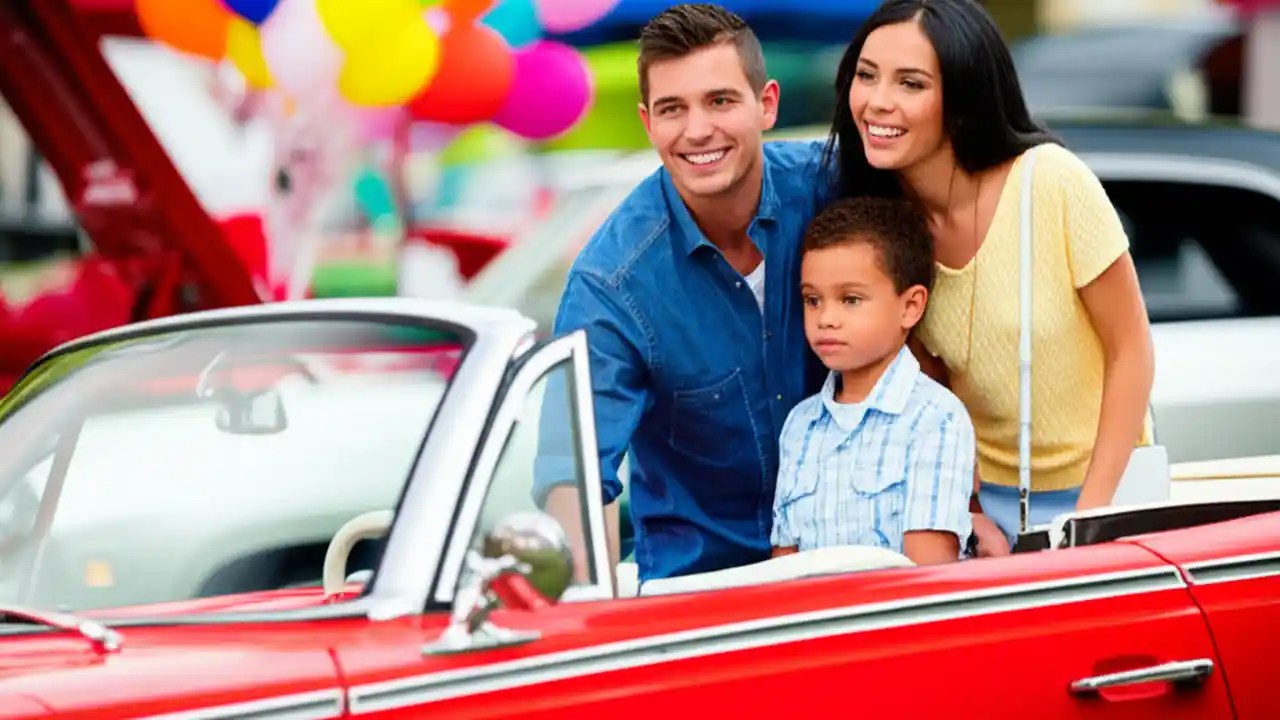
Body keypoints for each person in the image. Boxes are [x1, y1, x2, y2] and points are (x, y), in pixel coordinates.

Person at [825, 0, 1156, 549]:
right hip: (991, 515)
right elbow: (934, 390)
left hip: (1108, 494)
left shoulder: (1051, 182)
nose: (878, 102)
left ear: (961, 99)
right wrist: (969, 508)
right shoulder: (885, 222)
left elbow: (1132, 350)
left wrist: (1090, 519)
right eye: (866, 75)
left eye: (910, 84)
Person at [533, 4, 833, 584]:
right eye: (673, 109)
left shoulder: (832, 190)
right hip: (702, 603)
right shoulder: (612, 282)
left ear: (766, 104)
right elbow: (573, 470)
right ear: (649, 123)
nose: (697, 130)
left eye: (720, 101)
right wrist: (588, 609)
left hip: (854, 575)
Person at [771, 197, 974, 564]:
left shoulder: (935, 419)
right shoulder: (799, 427)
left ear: (910, 307)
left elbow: (929, 575)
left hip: (894, 619)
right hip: (809, 620)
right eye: (812, 299)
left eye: (850, 300)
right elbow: (784, 568)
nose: (826, 318)